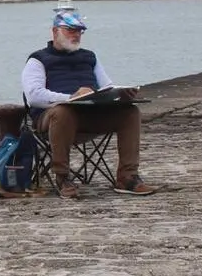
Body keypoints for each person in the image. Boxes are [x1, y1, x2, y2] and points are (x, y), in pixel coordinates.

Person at [22, 11, 158, 199]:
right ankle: (62, 177)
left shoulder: (89, 57)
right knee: (63, 112)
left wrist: (120, 94)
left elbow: (107, 86)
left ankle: (127, 177)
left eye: (79, 31)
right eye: (70, 30)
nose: (76, 35)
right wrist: (71, 97)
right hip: (53, 119)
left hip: (91, 115)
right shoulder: (38, 59)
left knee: (130, 112)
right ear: (54, 31)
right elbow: (34, 96)